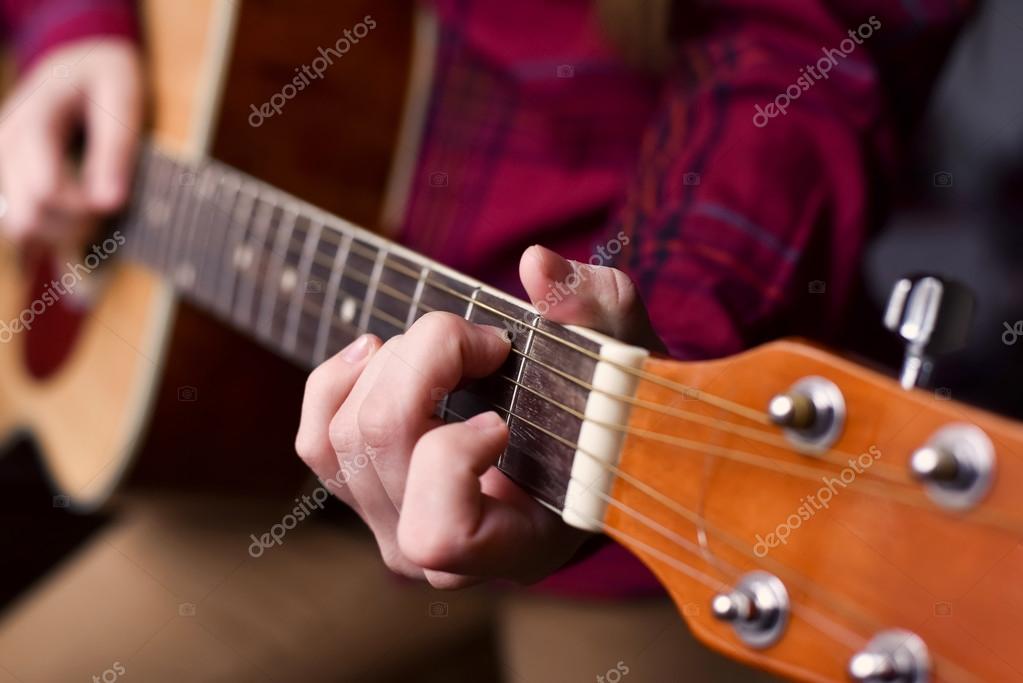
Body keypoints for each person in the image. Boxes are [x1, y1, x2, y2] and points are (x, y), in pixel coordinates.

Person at [0, 0, 973, 680]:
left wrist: (654, 334)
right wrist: (71, 30)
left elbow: (812, 45)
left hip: (654, 496)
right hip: (283, 455)